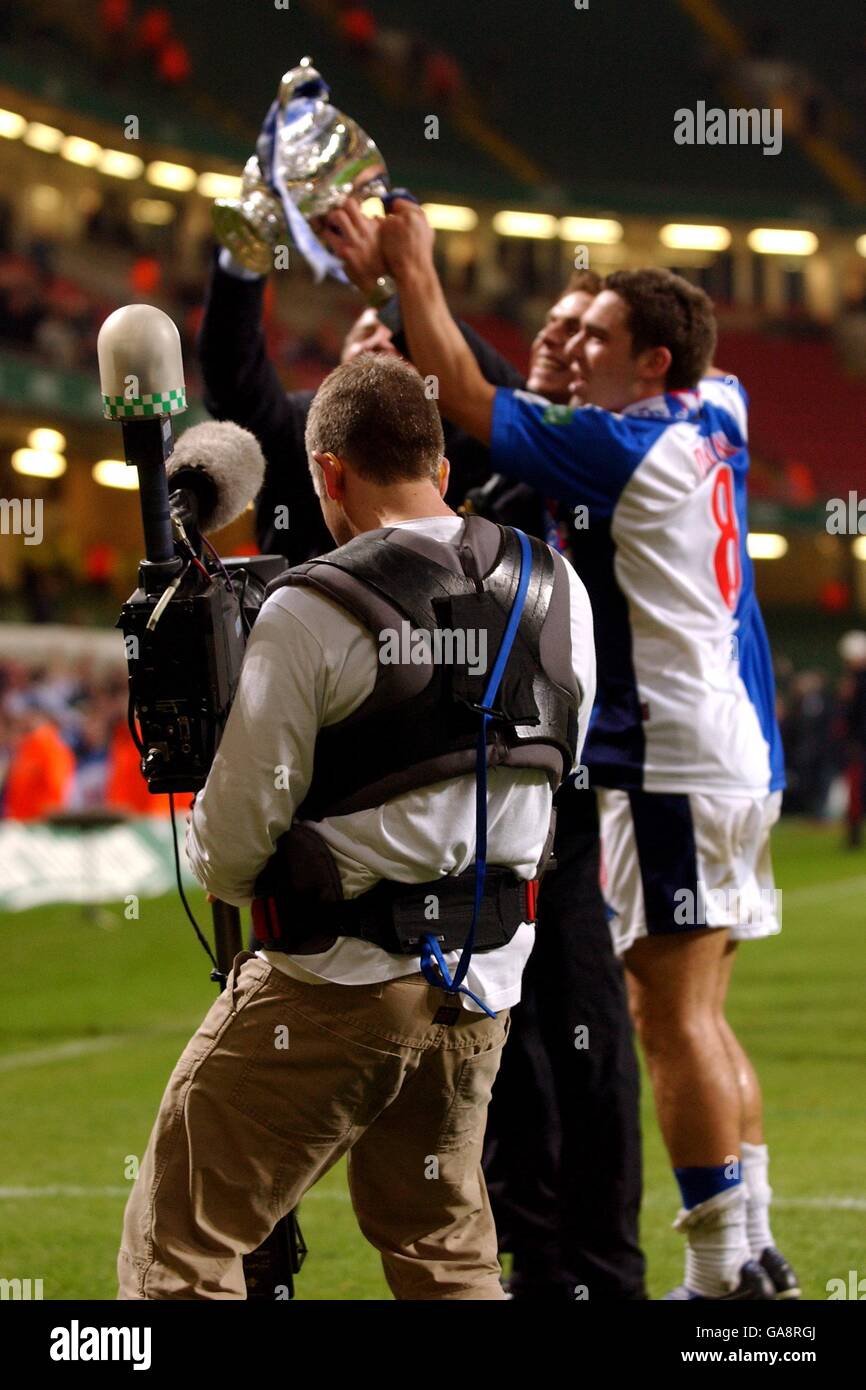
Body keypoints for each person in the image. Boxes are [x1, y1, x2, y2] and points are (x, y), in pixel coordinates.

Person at [378, 201, 797, 1301]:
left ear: (650, 360)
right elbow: (514, 395)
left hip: (669, 759)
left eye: (599, 337)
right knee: (698, 1007)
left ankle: (716, 1276)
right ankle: (749, 1251)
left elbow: (472, 400)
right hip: (730, 751)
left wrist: (412, 270)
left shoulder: (626, 447)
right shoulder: (718, 404)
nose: (576, 353)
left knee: (666, 1015)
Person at [117, 353, 596, 1300]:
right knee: (444, 1246)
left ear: (328, 472)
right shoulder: (558, 586)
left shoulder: (310, 606)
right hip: (485, 984)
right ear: (441, 466)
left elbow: (232, 848)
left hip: (338, 983)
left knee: (183, 1238)